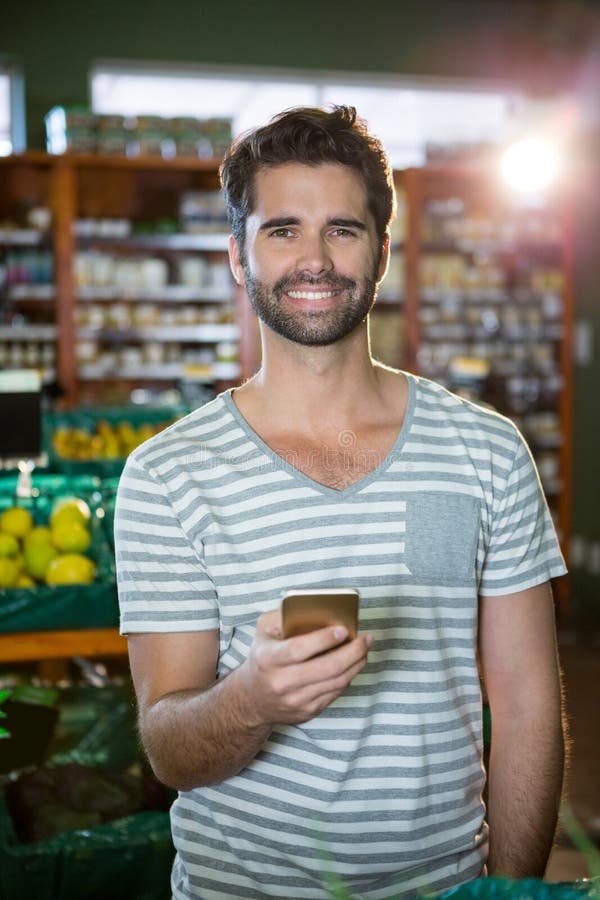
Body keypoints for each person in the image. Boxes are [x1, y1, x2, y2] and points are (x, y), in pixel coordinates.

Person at [115, 106, 567, 899]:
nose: (314, 260)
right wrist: (251, 701)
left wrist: (510, 891)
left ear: (382, 251)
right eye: (282, 230)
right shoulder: (166, 475)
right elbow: (168, 748)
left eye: (343, 230)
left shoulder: (488, 452)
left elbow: (528, 707)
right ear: (236, 255)